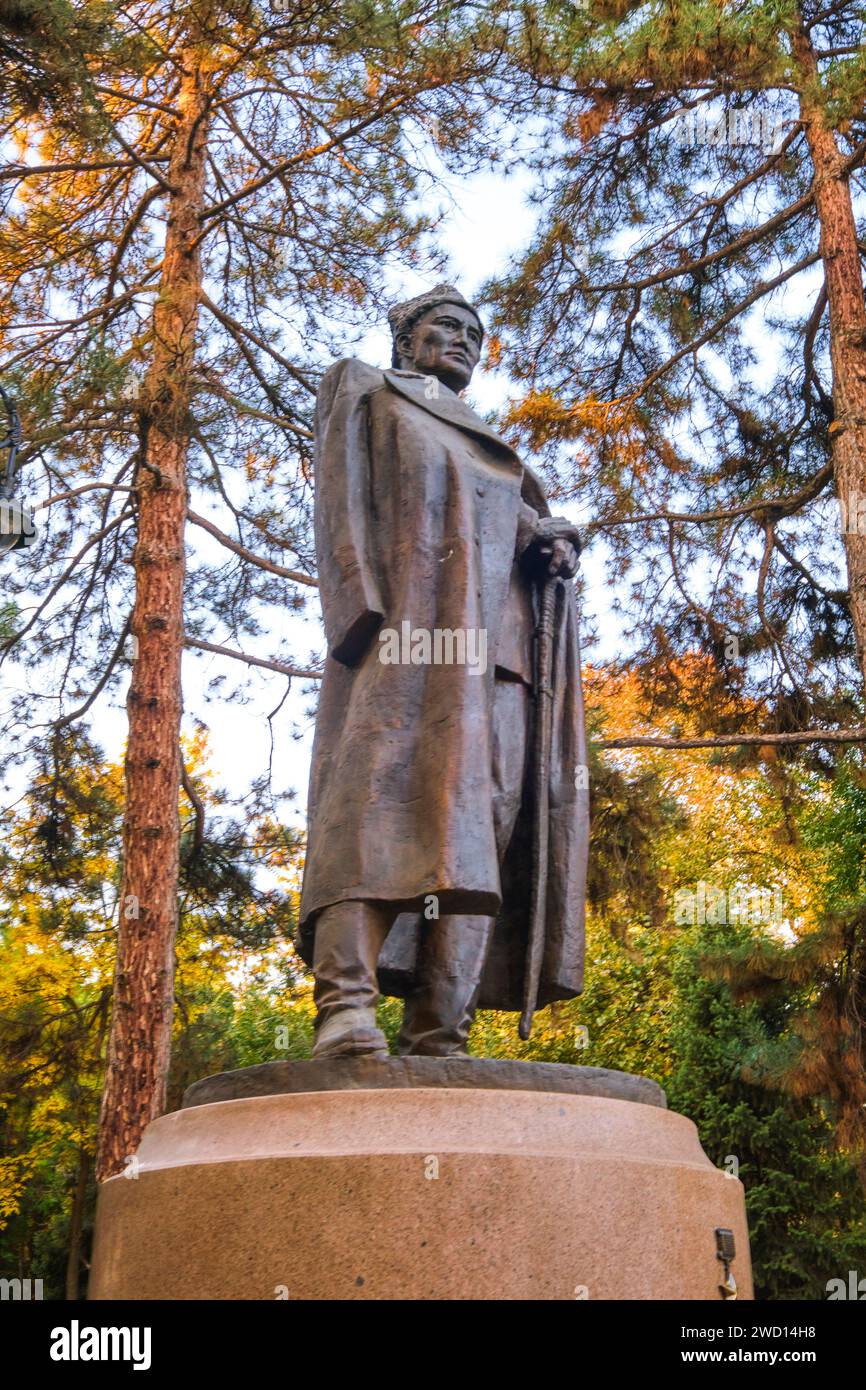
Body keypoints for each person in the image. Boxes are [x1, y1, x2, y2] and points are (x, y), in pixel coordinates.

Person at [297, 284, 589, 1059]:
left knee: (481, 832)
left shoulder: (490, 445)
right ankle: (346, 1007)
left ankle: (440, 1029)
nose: (460, 339)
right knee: (373, 804)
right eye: (443, 326)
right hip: (410, 640)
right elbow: (340, 508)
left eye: (473, 333)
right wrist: (359, 616)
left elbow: (508, 531)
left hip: (502, 659)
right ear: (407, 339)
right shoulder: (366, 387)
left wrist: (547, 541)